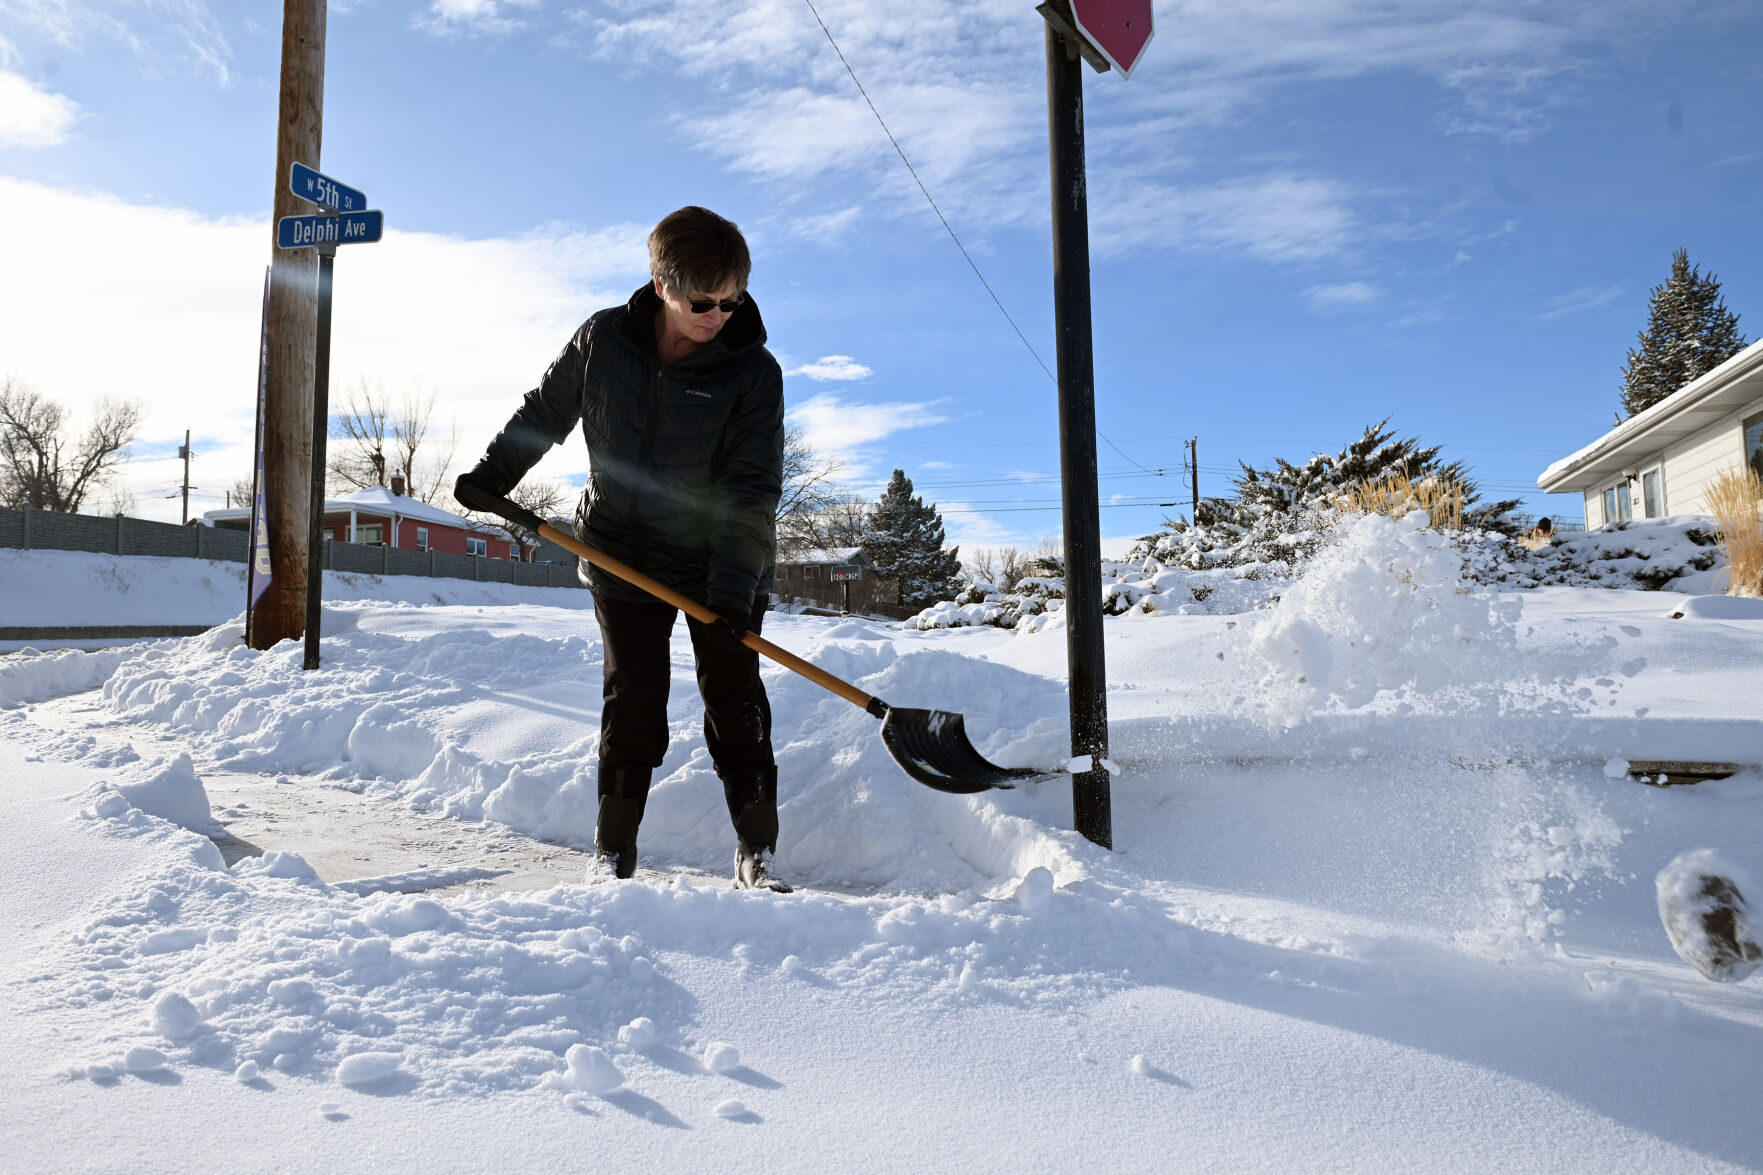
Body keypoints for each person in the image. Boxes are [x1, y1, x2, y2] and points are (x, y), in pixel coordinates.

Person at [454, 206, 789, 891]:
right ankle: (613, 851)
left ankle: (757, 850)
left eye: (732, 300)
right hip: (621, 552)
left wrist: (728, 596)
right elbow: (544, 412)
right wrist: (493, 477)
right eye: (703, 301)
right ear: (661, 283)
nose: (718, 314)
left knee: (733, 697)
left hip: (719, 560)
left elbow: (749, 493)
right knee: (632, 697)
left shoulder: (753, 373)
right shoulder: (604, 338)